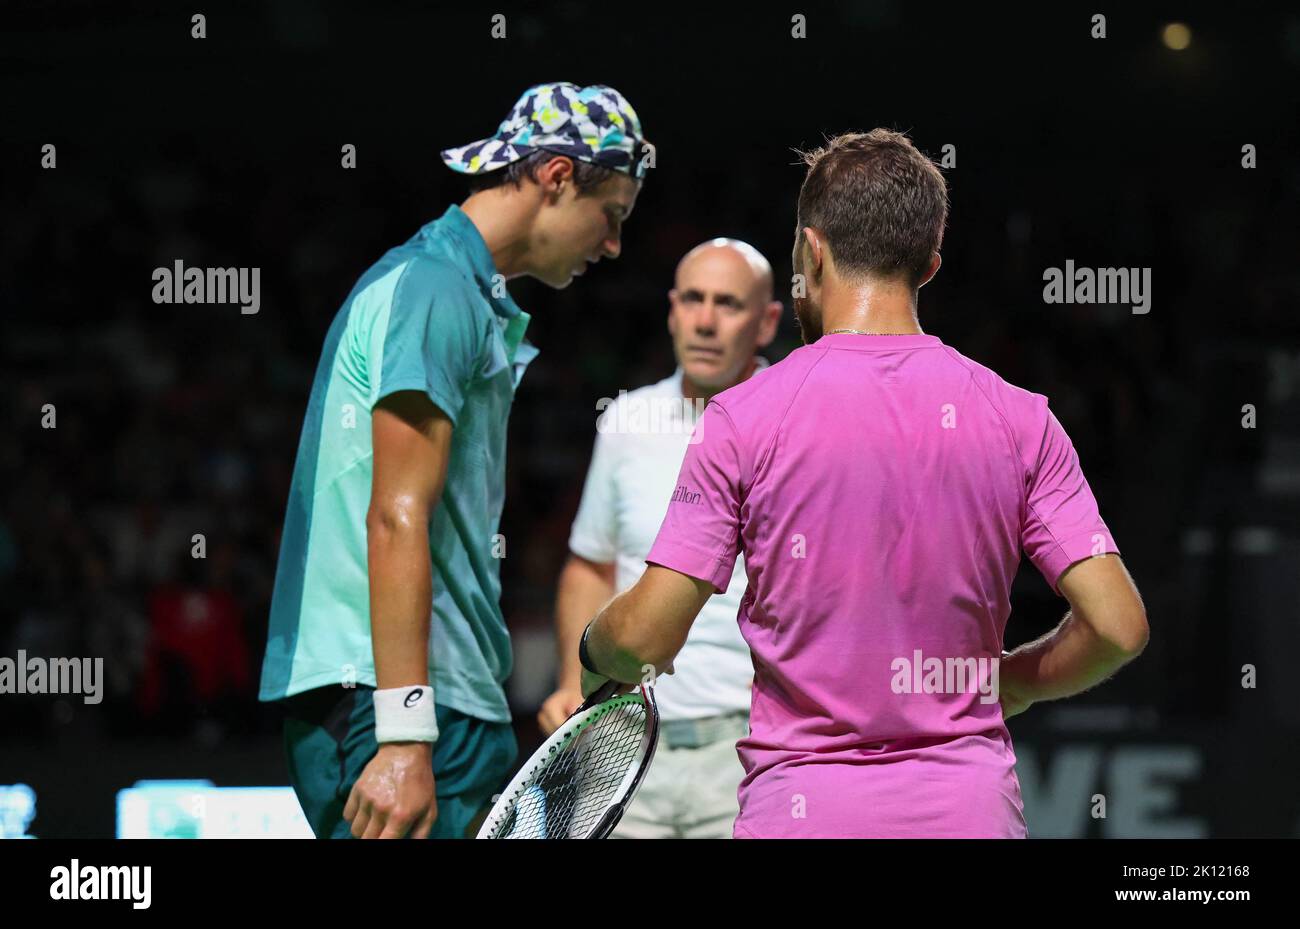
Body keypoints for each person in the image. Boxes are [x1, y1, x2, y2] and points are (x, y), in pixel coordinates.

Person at [576, 129, 1149, 838]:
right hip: (968, 810)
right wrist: (1015, 680)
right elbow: (1119, 627)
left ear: (810, 252)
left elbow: (645, 638)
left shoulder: (742, 417)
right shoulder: (1019, 417)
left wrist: (592, 649)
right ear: (929, 265)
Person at [258, 82, 650, 839]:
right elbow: (395, 512)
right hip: (398, 704)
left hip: (439, 699)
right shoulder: (435, 290)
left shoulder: (459, 292)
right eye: (613, 216)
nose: (613, 246)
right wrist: (405, 733)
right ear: (558, 176)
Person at [538, 238, 781, 838]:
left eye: (728, 303)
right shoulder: (626, 421)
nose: (705, 320)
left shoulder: (798, 419)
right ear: (671, 310)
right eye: (692, 299)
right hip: (621, 744)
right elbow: (589, 565)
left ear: (768, 321)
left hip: (750, 748)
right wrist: (572, 681)